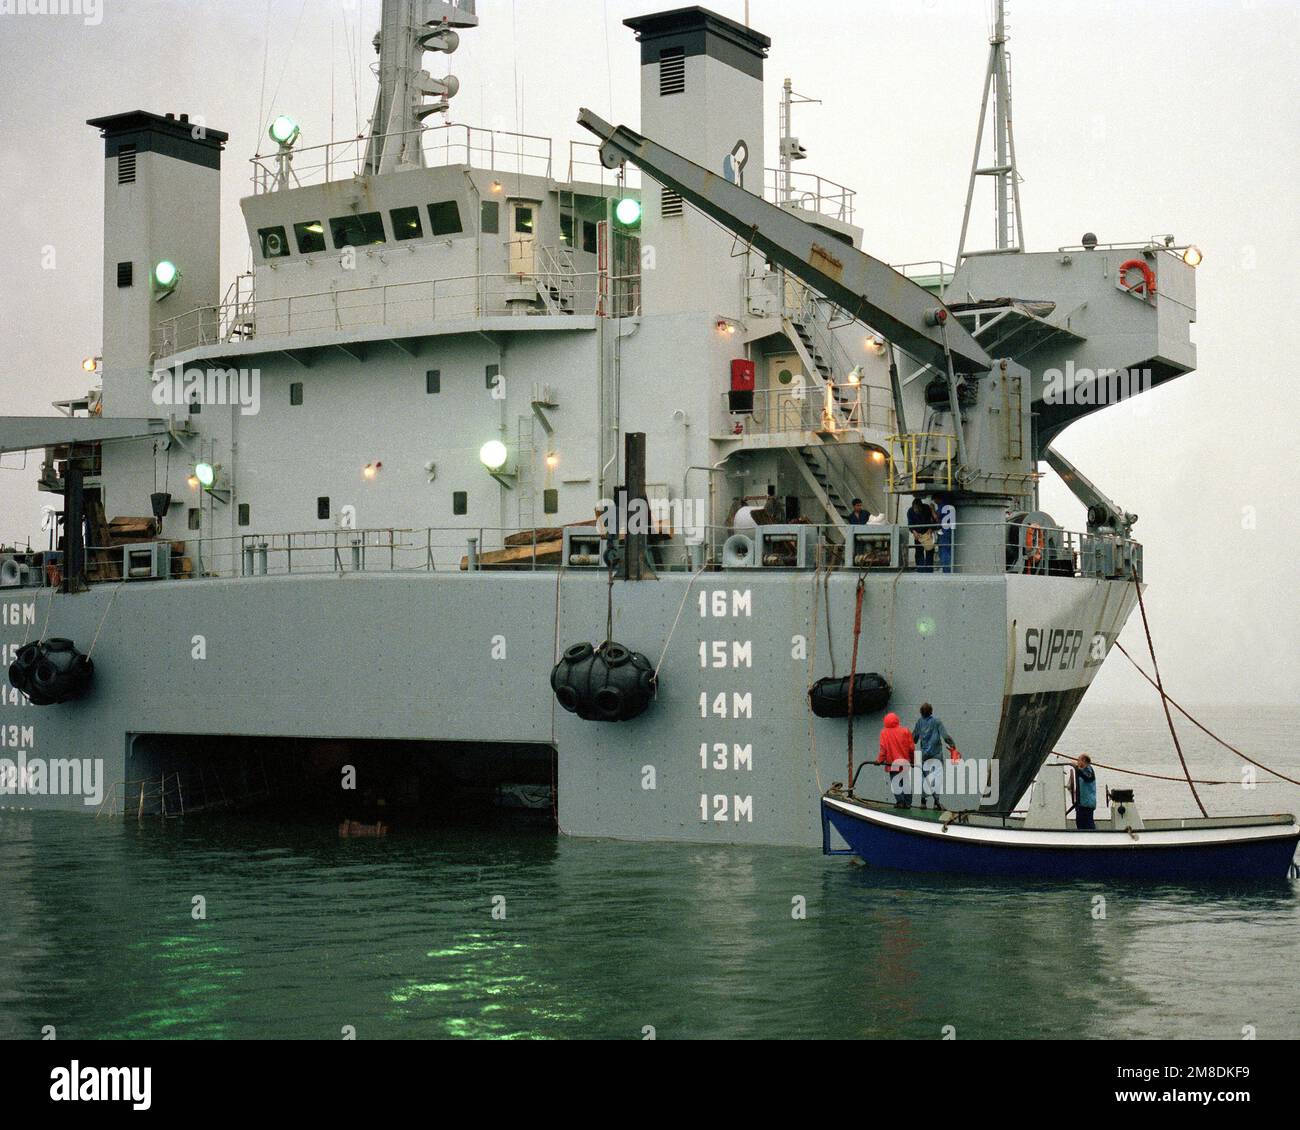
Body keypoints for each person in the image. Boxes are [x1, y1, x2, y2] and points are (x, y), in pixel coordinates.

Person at [912, 702, 957, 810]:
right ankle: (936, 803)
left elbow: (914, 738)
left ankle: (923, 802)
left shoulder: (919, 722)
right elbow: (945, 736)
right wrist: (952, 745)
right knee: (937, 777)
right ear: (931, 711)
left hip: (924, 755)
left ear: (921, 712)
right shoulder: (937, 721)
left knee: (925, 777)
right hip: (936, 754)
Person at [876, 712, 915, 808]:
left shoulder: (884, 732)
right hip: (905, 763)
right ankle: (908, 803)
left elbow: (883, 749)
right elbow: (911, 748)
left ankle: (900, 802)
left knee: (896, 783)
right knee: (906, 783)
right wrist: (913, 761)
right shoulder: (905, 731)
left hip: (892, 764)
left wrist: (879, 760)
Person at [906, 496, 937, 572]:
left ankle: (929, 569)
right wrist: (914, 532)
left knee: (929, 551)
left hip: (927, 533)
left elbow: (933, 520)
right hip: (918, 534)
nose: (916, 510)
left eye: (918, 508)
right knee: (919, 551)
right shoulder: (910, 511)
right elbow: (910, 524)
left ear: (921, 506)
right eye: (915, 509)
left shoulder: (927, 508)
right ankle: (920, 569)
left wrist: (931, 529)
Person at [1072, 754, 1097, 830]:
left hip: (1087, 804)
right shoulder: (1081, 771)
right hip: (1081, 804)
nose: (1077, 762)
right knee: (1079, 823)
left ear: (1084, 761)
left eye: (1078, 760)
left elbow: (1088, 778)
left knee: (1088, 824)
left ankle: (1093, 838)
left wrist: (1076, 768)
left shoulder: (1089, 770)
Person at [933, 493, 955, 574]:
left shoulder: (943, 505)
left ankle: (947, 571)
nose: (935, 502)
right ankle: (948, 569)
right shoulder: (949, 504)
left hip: (945, 531)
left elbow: (937, 517)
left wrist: (932, 509)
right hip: (950, 530)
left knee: (944, 551)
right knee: (948, 550)